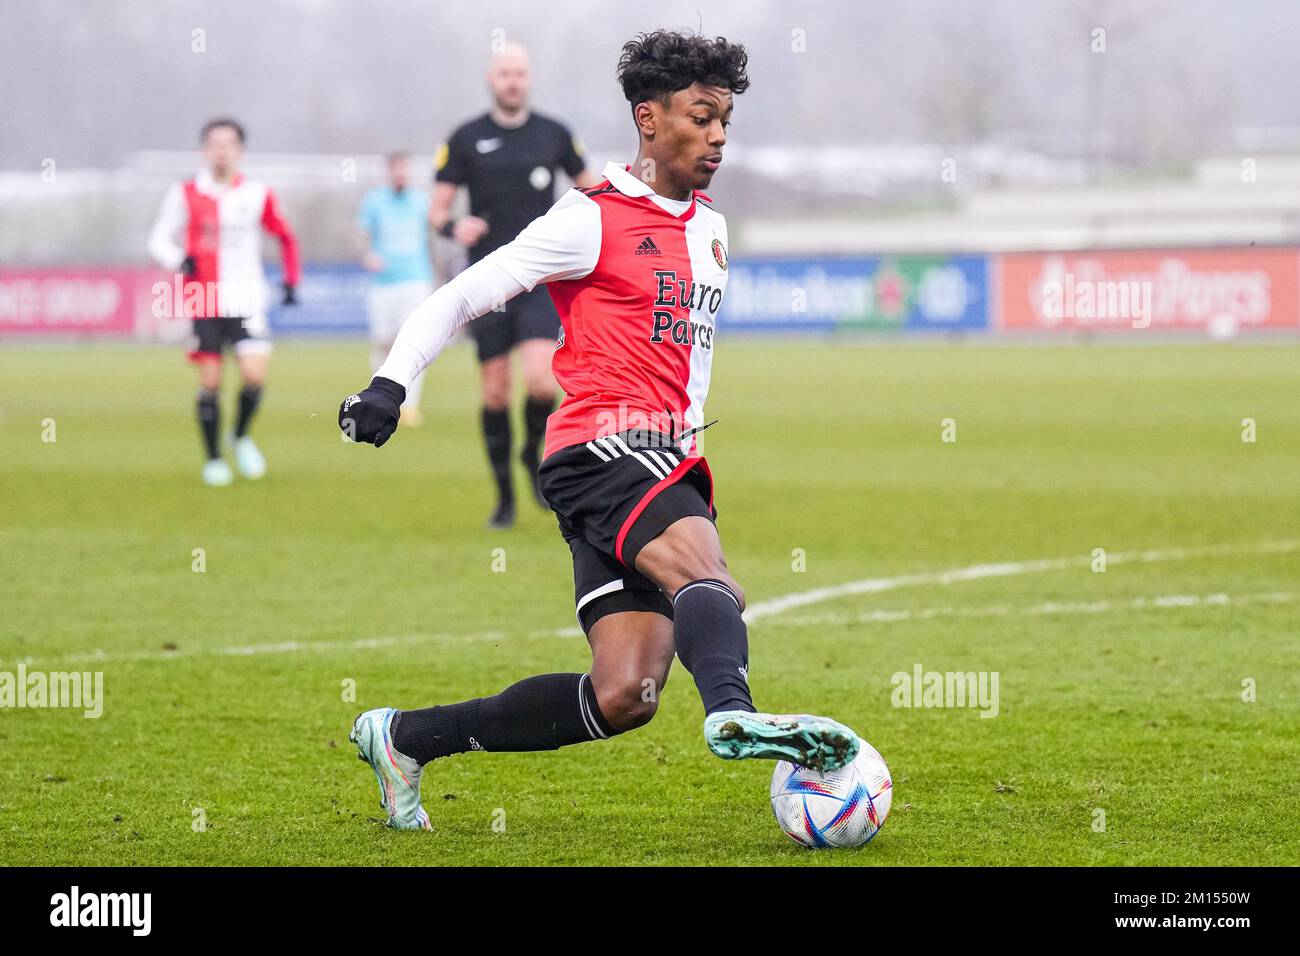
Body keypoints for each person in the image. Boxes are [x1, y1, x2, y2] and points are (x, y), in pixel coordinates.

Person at [339, 31, 860, 831]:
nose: (719, 134)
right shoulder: (591, 218)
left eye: (726, 119)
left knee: (626, 693)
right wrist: (389, 383)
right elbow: (462, 297)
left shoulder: (713, 229)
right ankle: (732, 712)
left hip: (664, 457)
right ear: (649, 120)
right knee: (707, 574)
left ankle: (407, 738)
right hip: (603, 445)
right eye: (702, 116)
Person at [432, 40, 600, 527]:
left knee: (542, 380)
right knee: (495, 393)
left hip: (540, 280)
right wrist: (453, 227)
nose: (513, 81)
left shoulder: (554, 134)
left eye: (520, 73)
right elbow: (438, 211)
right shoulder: (465, 138)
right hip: (486, 280)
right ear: (492, 79)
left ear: (530, 79)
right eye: (505, 73)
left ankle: (533, 453)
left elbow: (591, 191)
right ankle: (504, 496)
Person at [148, 118, 300, 486]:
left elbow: (285, 236)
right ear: (205, 150)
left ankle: (240, 435)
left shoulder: (257, 193)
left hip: (247, 298)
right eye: (214, 143)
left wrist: (291, 280)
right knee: (211, 382)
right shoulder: (184, 193)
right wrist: (178, 260)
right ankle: (214, 459)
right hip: (205, 298)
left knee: (253, 375)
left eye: (228, 143)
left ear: (239, 151)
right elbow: (158, 237)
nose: (221, 150)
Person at [358, 152, 433, 426]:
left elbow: (432, 239)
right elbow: (361, 236)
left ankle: (409, 405)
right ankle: (378, 398)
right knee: (383, 341)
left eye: (405, 169)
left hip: (415, 279)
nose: (400, 174)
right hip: (383, 283)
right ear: (388, 172)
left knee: (413, 341)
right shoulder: (374, 201)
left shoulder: (422, 201)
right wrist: (366, 255)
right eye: (396, 169)